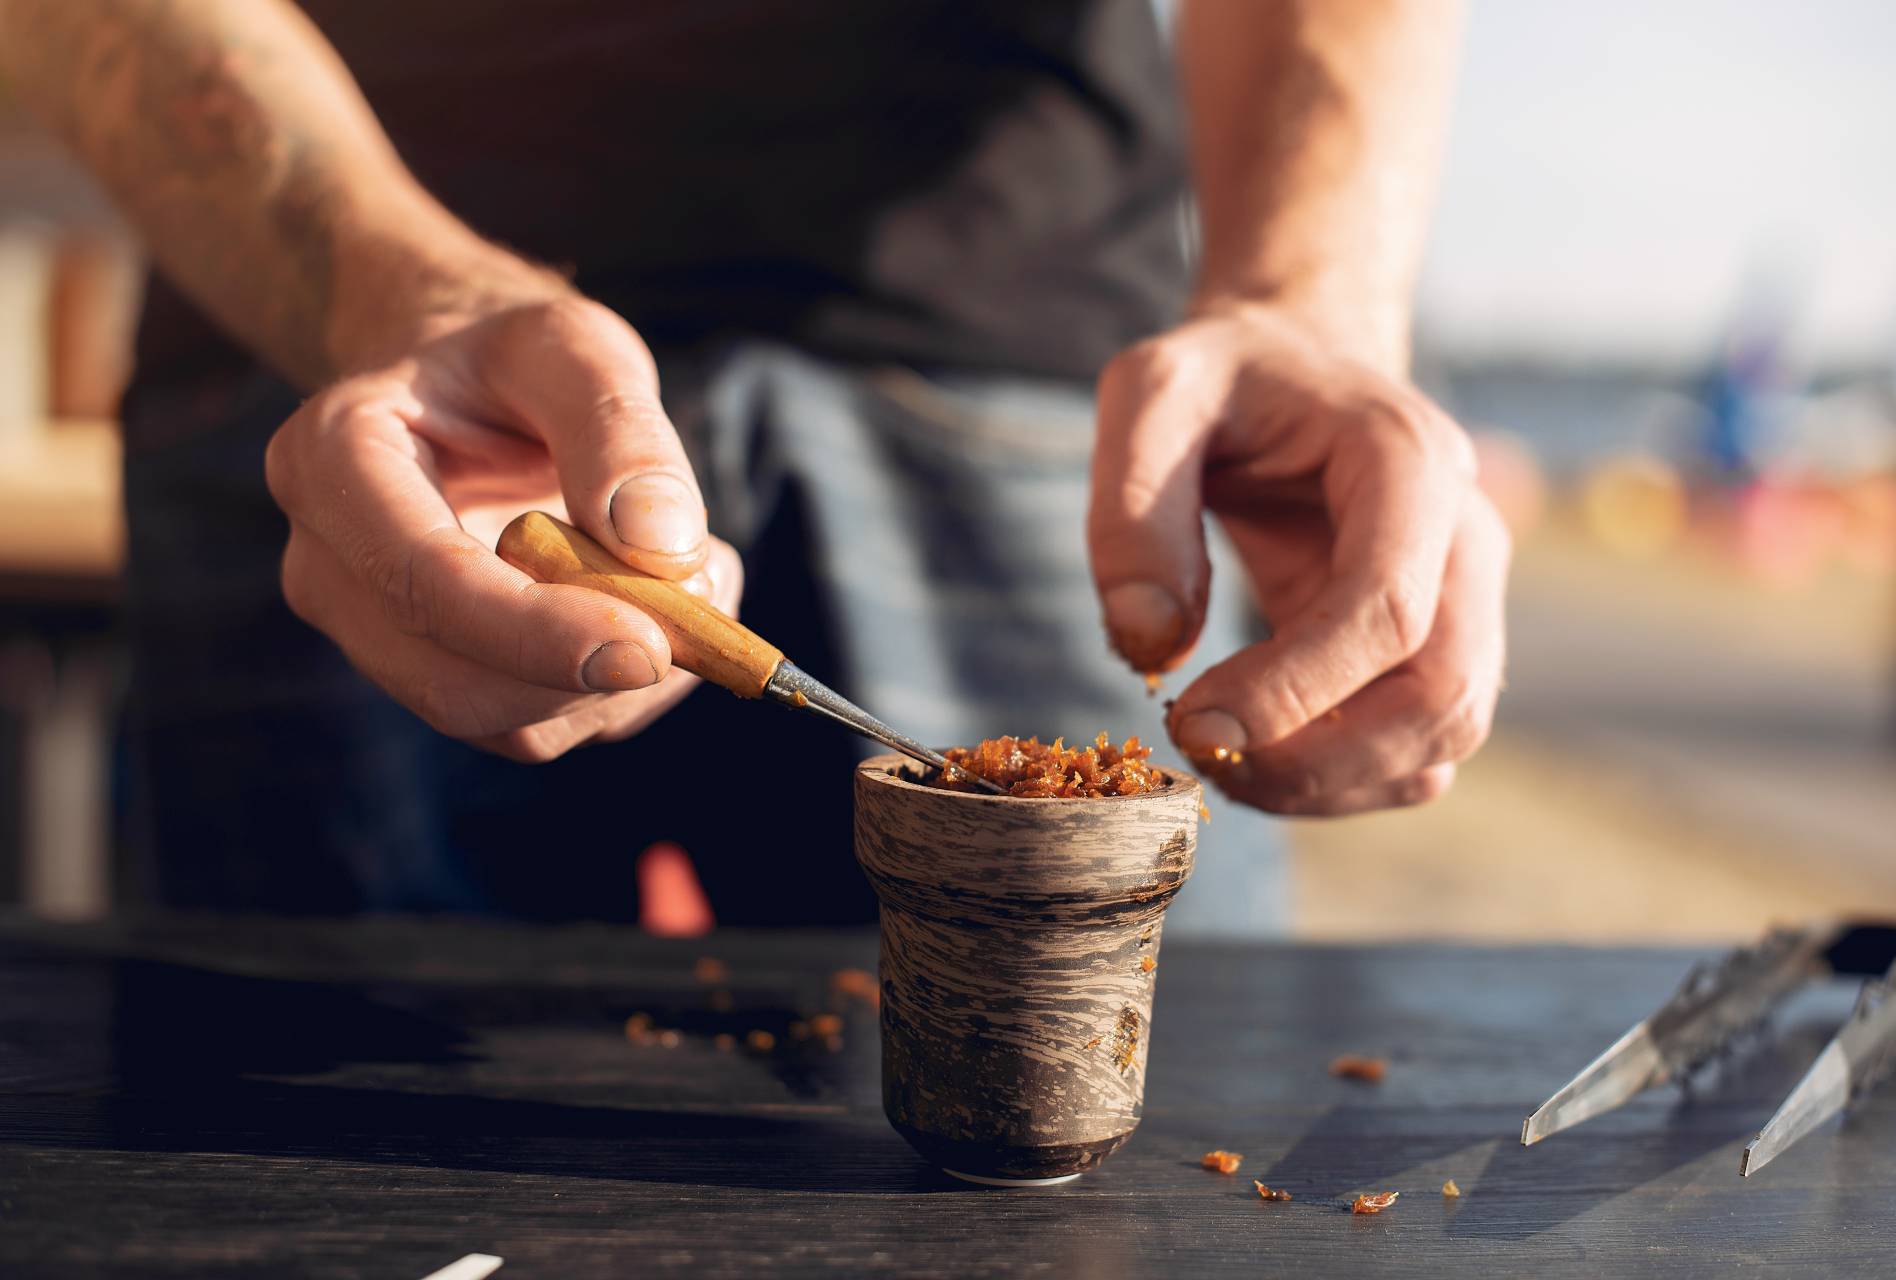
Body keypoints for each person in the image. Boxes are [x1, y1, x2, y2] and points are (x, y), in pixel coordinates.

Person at [0, 0, 1508, 932]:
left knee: (1118, 1196)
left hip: (1013, 341)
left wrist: (1310, 304)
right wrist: (388, 292)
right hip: (357, 367)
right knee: (311, 1172)